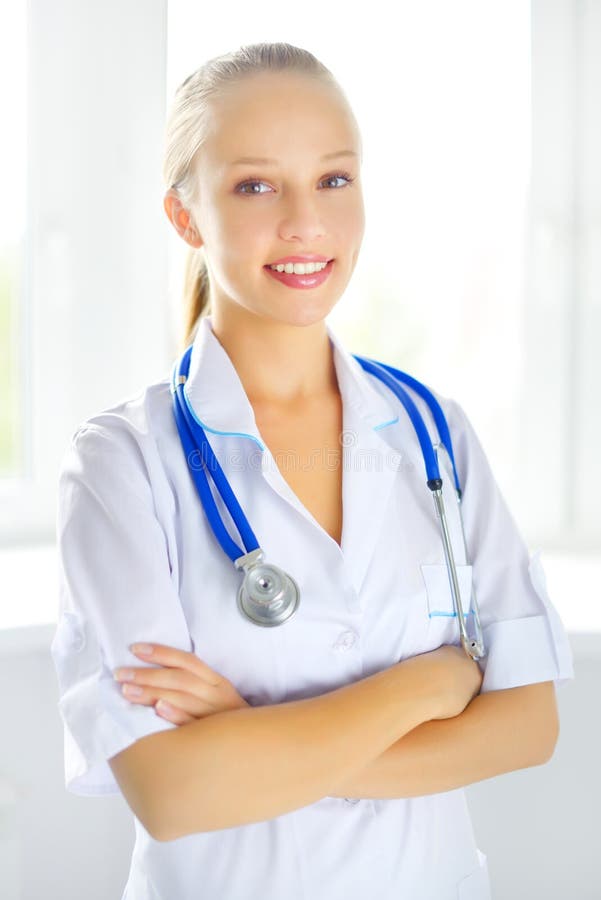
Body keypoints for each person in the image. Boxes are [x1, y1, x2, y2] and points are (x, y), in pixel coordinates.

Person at [50, 41, 574, 900]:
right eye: (255, 187)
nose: (304, 222)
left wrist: (251, 737)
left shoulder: (433, 434)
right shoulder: (122, 463)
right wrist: (431, 683)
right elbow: (174, 794)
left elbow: (526, 726)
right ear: (185, 217)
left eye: (333, 179)